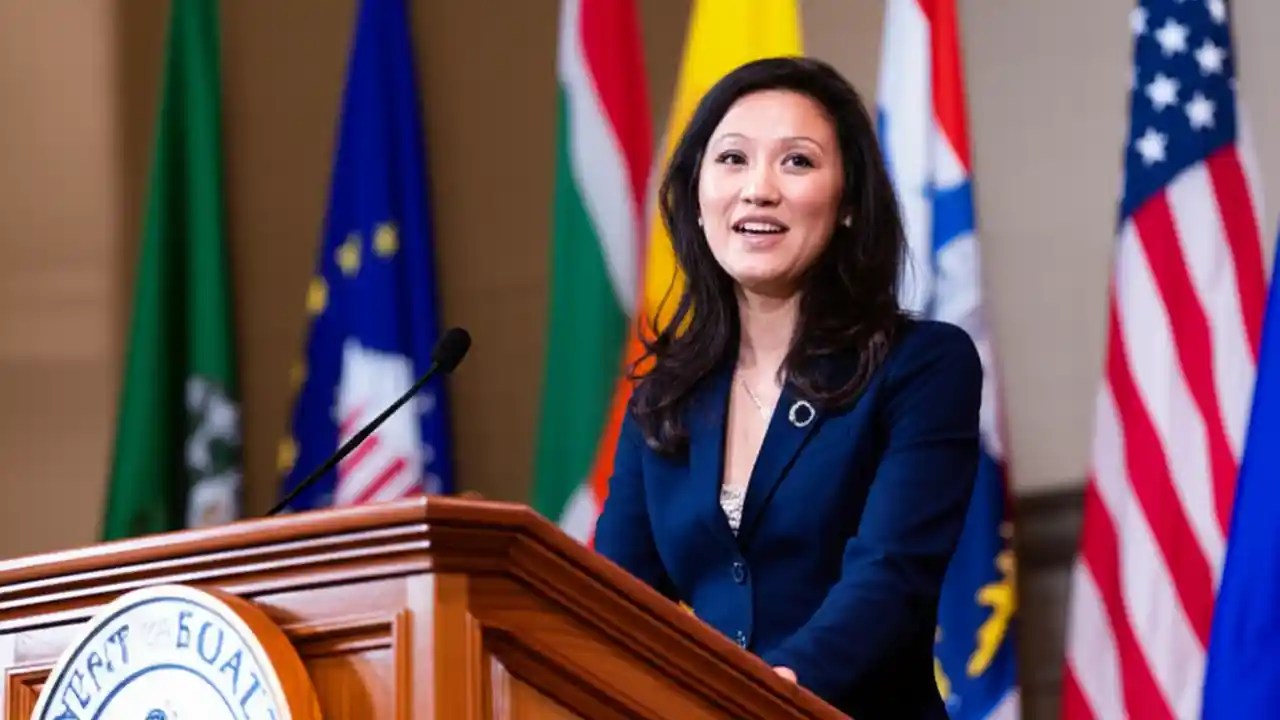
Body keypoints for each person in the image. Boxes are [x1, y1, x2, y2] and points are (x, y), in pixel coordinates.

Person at [592, 56, 982, 719]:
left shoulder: (923, 366)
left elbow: (889, 577)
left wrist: (763, 699)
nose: (757, 190)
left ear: (851, 203)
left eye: (796, 162)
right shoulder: (665, 401)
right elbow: (609, 606)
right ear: (695, 193)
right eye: (733, 160)